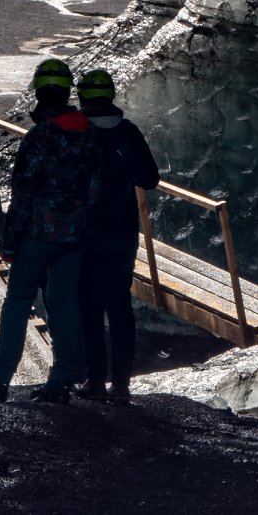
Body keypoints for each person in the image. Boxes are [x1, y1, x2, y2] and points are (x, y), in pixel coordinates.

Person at [0, 57, 102, 406]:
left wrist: (10, 241)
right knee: (63, 304)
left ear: (39, 93)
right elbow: (95, 189)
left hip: (38, 234)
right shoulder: (89, 135)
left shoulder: (40, 136)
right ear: (66, 92)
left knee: (17, 303)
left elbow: (23, 193)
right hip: (74, 236)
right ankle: (60, 381)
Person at [73, 67, 159, 403]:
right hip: (121, 235)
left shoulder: (76, 133)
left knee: (89, 308)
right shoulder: (128, 132)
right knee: (120, 308)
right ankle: (121, 386)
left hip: (83, 236)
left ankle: (94, 381)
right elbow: (149, 179)